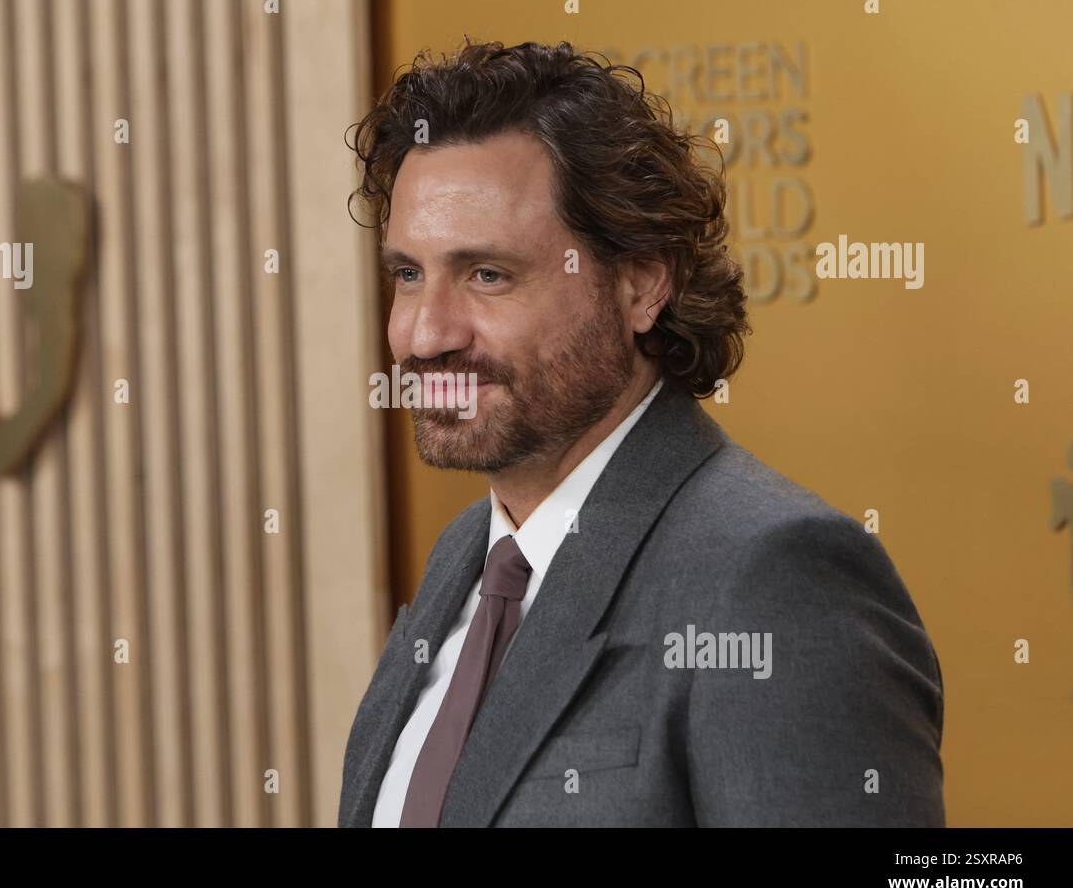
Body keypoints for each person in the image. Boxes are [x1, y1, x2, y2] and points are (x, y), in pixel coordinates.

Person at [338, 40, 944, 827]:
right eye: (409, 274)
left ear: (641, 284)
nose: (425, 335)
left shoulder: (774, 581)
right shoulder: (468, 559)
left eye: (487, 274)